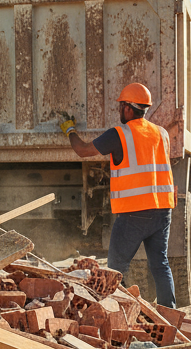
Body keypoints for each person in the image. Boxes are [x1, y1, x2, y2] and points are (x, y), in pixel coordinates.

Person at [60, 83, 176, 306]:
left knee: (115, 268)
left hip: (134, 214)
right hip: (162, 212)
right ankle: (169, 314)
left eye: (121, 105)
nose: (119, 110)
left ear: (129, 108)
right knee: (160, 265)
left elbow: (83, 151)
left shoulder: (120, 134)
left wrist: (69, 130)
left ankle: (115, 313)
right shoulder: (161, 133)